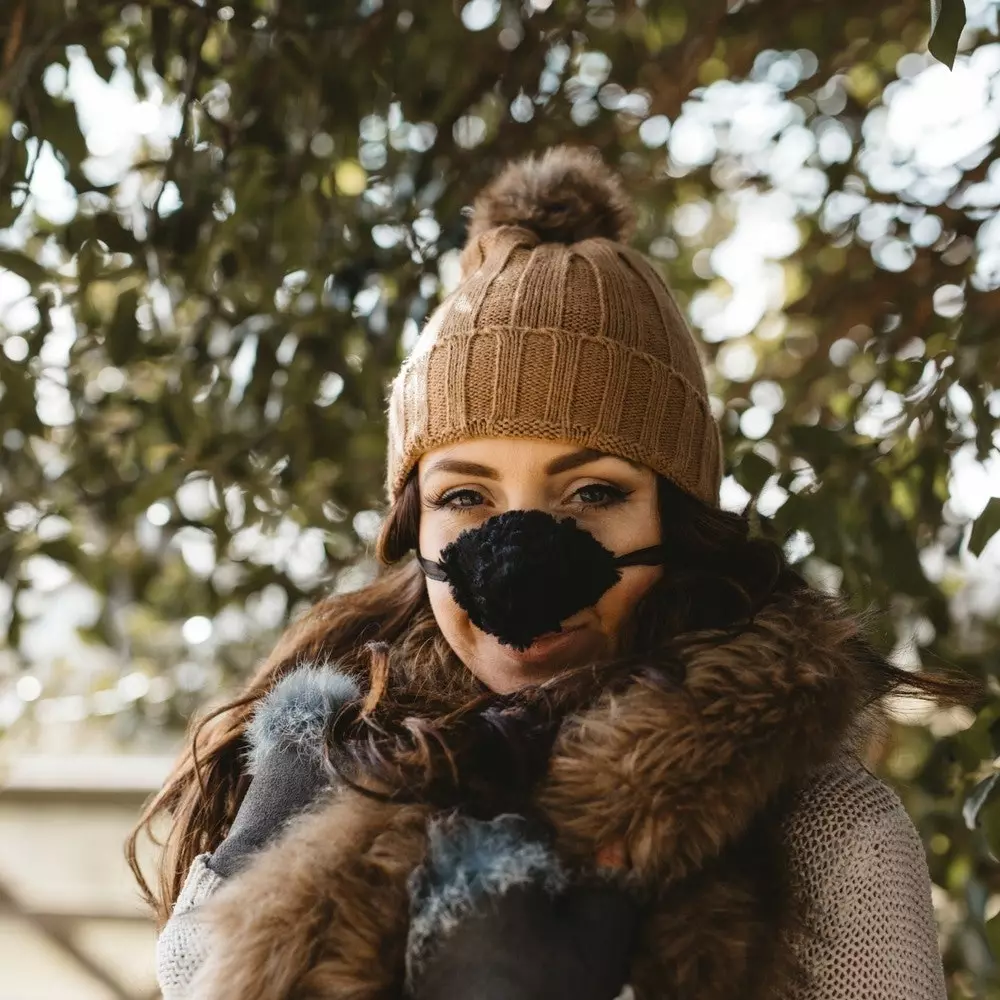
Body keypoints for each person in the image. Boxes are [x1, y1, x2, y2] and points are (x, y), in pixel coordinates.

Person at [129, 145, 980, 1000]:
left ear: (676, 522)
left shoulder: (831, 835)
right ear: (413, 524)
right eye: (465, 494)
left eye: (595, 491)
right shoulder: (330, 770)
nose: (522, 557)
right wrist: (246, 906)